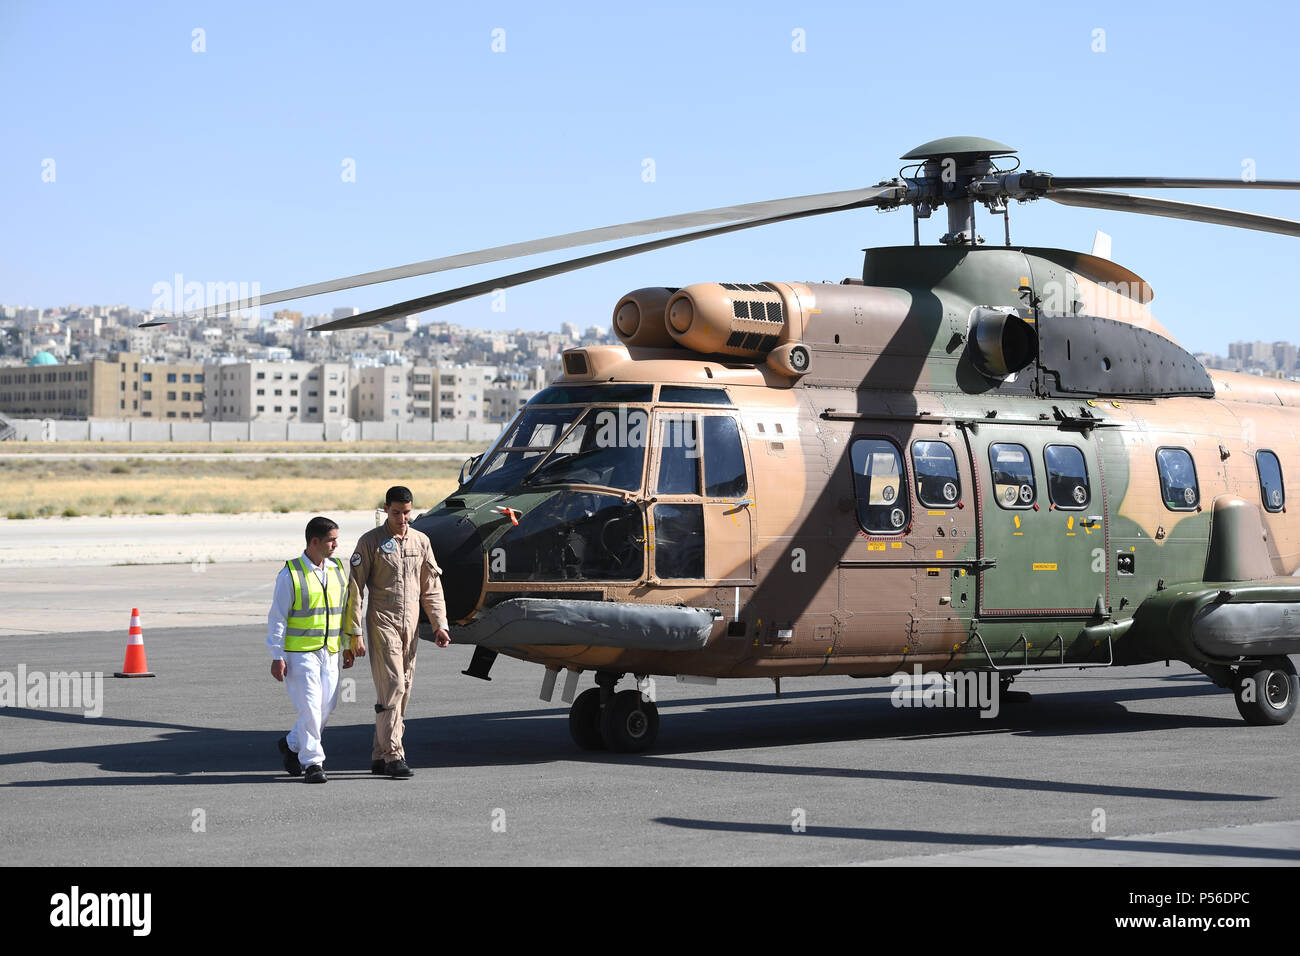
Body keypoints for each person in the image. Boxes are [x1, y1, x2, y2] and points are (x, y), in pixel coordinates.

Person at [345, 486, 450, 779]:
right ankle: (394, 755)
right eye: (396, 513)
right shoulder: (370, 542)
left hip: (411, 624)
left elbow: (431, 587)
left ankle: (379, 754)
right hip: (382, 622)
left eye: (406, 512)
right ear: (385, 509)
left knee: (404, 687)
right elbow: (355, 590)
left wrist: (440, 624)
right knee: (393, 686)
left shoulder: (421, 541)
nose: (402, 518)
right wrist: (355, 634)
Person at [268, 515, 353, 784]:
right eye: (331, 540)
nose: (336, 545)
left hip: (330, 651)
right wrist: (276, 655)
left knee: (326, 707)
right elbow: (277, 617)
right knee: (310, 708)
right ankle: (313, 763)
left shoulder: (338, 569)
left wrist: (349, 644)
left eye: (337, 539)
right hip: (300, 653)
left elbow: (347, 611)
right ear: (314, 542)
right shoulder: (290, 573)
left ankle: (291, 744)